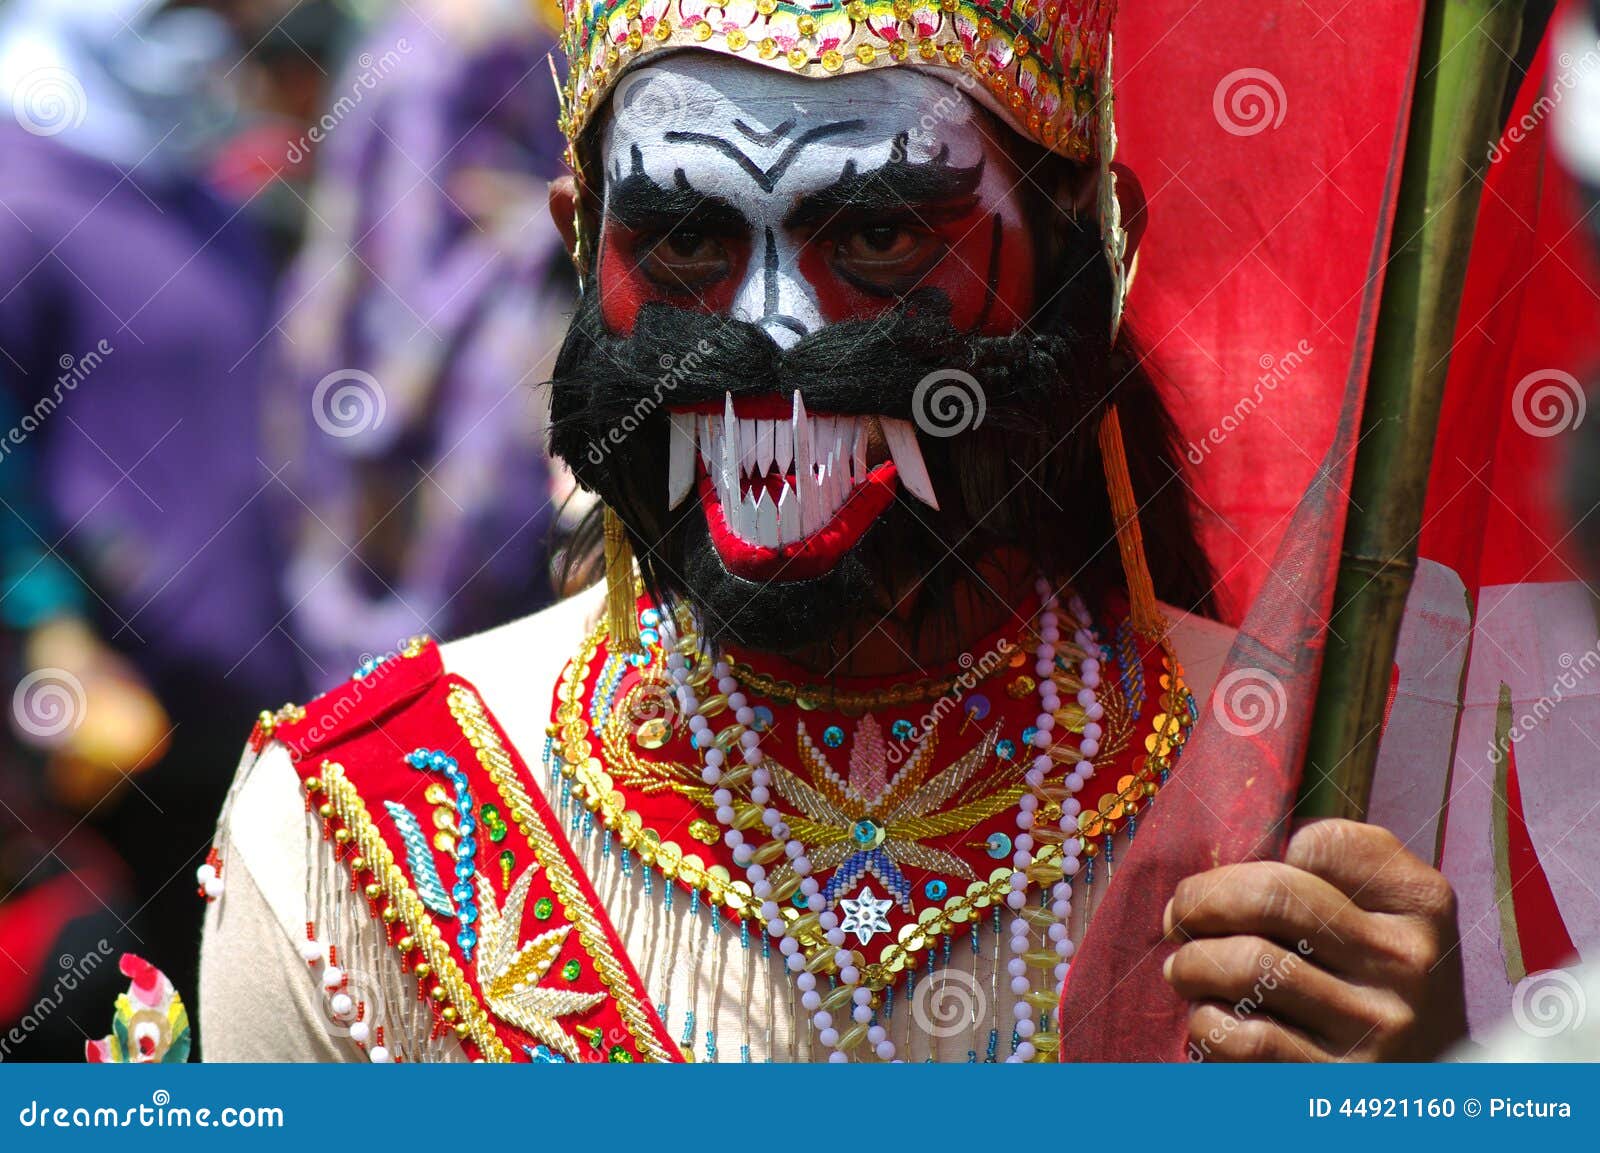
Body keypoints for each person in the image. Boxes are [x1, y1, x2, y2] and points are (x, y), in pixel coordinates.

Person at [199, 0, 1467, 1062]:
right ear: (580, 245)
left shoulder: (1323, 778)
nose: (775, 342)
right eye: (687, 237)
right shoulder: (356, 835)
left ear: (1091, 243)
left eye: (874, 233)